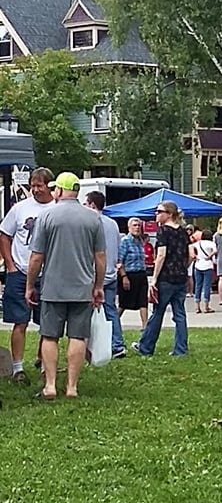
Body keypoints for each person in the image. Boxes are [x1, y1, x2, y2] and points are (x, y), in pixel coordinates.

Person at [26, 172, 105, 401]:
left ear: (59, 190)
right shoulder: (93, 218)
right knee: (77, 337)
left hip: (53, 287)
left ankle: (50, 386)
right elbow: (100, 256)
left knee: (50, 336)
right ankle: (72, 387)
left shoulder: (47, 217)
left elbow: (36, 257)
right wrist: (98, 285)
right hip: (82, 287)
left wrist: (30, 285)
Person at [0, 166, 54, 384]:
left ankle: (43, 362)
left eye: (39, 185)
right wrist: (10, 265)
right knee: (19, 321)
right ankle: (17, 367)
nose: (35, 190)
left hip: (48, 274)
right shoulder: (20, 209)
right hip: (20, 271)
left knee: (47, 323)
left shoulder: (56, 208)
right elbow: (4, 234)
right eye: (32, 185)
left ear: (49, 186)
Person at [131, 201, 191, 356]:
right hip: (181, 277)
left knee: (157, 313)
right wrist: (183, 267)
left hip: (166, 278)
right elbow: (191, 254)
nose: (156, 214)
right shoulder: (184, 231)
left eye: (159, 211)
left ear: (169, 214)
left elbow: (161, 255)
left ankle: (146, 347)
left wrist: (154, 279)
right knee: (180, 314)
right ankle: (181, 349)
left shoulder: (163, 231)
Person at [84, 191, 126, 358]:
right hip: (110, 273)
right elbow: (117, 247)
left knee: (86, 311)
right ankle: (117, 344)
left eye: (86, 204)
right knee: (110, 310)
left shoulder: (90, 223)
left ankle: (88, 346)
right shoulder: (113, 224)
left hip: (94, 274)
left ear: (92, 205)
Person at [118, 216, 149, 330]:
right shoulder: (125, 241)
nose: (137, 228)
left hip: (141, 274)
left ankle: (145, 326)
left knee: (143, 301)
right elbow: (119, 261)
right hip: (129, 275)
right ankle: (114, 323)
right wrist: (124, 276)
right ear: (129, 227)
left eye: (139, 226)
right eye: (135, 225)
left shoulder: (140, 241)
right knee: (124, 303)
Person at [192, 229, 217, 313]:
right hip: (208, 265)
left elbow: (190, 247)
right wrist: (210, 256)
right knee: (207, 286)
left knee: (198, 286)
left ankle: (197, 307)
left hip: (198, 265)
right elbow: (215, 251)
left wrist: (195, 256)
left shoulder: (197, 243)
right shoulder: (211, 243)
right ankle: (206, 307)